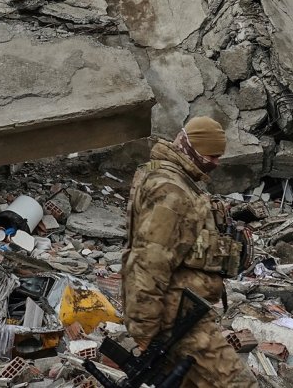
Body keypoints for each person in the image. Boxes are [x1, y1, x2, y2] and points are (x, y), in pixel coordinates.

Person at [121, 117, 257, 388]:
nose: (216, 162)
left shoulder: (169, 177)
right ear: (190, 148)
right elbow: (149, 261)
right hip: (178, 320)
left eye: (219, 155)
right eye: (211, 154)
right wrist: (145, 331)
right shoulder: (172, 192)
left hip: (182, 311)